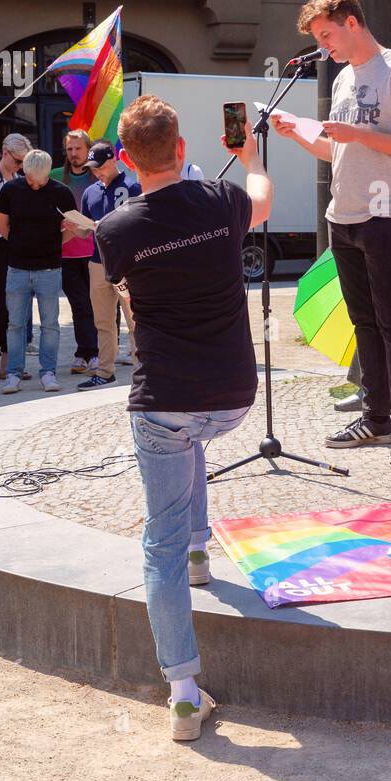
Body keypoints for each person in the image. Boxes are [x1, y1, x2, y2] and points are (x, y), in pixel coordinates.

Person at [94, 94, 272, 741]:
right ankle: (202, 550)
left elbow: (124, 288)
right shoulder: (222, 202)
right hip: (230, 398)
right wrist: (248, 155)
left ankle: (183, 694)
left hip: (164, 398)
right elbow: (263, 198)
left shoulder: (115, 230)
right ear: (179, 149)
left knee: (157, 543)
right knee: (194, 439)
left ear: (127, 160)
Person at [272, 0, 391, 465]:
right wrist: (299, 133)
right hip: (343, 216)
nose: (324, 47)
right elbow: (337, 149)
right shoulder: (341, 80)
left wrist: (357, 133)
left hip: (385, 214)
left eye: (327, 35)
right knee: (364, 323)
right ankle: (375, 418)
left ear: (352, 22)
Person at [0, 148, 76, 393]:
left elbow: (73, 227)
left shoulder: (62, 193)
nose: (32, 182)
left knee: (50, 324)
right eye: (28, 177)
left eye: (37, 179)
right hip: (17, 268)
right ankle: (13, 374)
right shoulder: (11, 190)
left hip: (49, 269)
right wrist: (16, 243)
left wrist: (52, 246)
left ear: (47, 174)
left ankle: (48, 373)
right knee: (15, 324)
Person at [78, 141, 141, 390]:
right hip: (97, 264)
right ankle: (105, 372)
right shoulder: (90, 192)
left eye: (100, 167)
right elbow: (85, 231)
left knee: (136, 320)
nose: (97, 172)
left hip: (126, 264)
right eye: (93, 168)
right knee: (103, 322)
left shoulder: (132, 187)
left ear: (113, 160)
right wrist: (78, 227)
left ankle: (143, 371)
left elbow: (139, 225)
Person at [50, 129, 99, 373]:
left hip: (96, 253)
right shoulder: (55, 176)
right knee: (79, 305)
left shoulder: (97, 176)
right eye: (69, 149)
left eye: (78, 148)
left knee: (98, 305)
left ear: (88, 149)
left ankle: (98, 350)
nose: (73, 153)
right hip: (67, 253)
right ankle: (86, 352)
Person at [0, 133, 32, 381]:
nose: (20, 166)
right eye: (17, 161)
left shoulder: (19, 180)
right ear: (5, 153)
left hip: (16, 247)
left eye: (23, 163)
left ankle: (10, 364)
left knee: (15, 307)